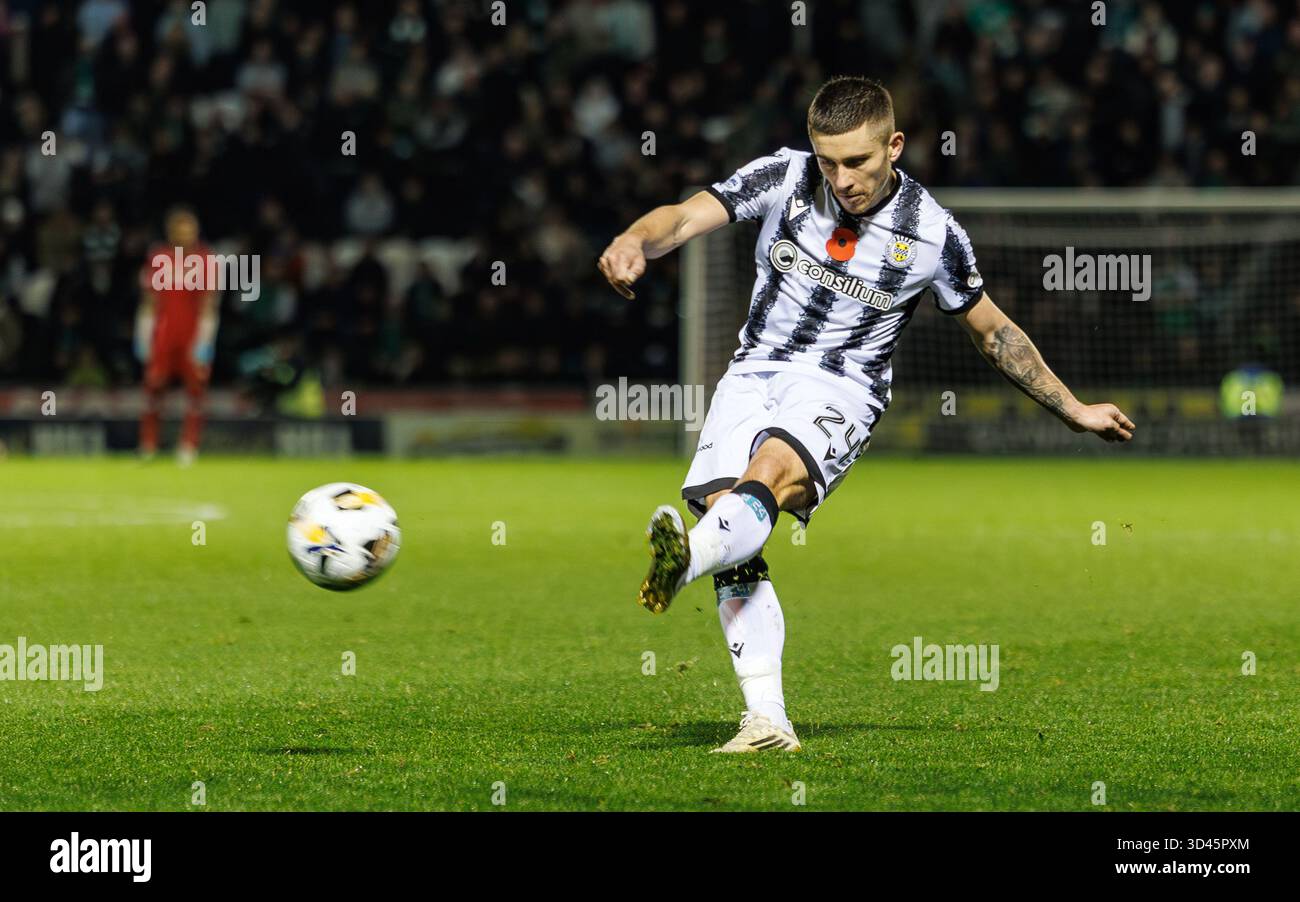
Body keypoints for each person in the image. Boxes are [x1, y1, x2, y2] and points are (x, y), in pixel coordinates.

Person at [597, 76, 1136, 753]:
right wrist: (631, 240)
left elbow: (993, 332)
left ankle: (685, 562)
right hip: (752, 373)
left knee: (769, 474)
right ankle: (767, 720)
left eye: (858, 161)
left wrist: (1073, 409)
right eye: (829, 161)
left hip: (842, 389)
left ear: (895, 146)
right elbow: (678, 217)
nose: (842, 178)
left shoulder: (934, 233)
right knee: (734, 531)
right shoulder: (782, 177)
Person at [136, 207, 219, 465]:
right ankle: (148, 445)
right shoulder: (159, 257)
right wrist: (143, 335)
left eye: (188, 229)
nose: (184, 234)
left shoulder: (206, 260)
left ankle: (188, 446)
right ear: (171, 232)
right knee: (153, 389)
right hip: (163, 335)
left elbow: (210, 303)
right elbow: (149, 299)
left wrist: (205, 341)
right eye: (179, 229)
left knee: (195, 393)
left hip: (192, 336)